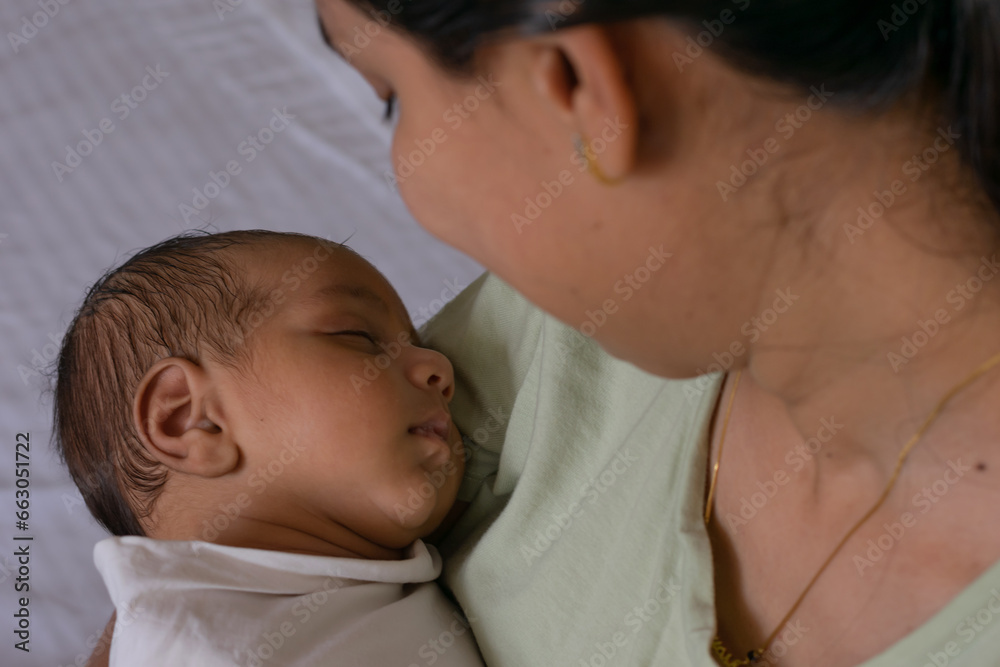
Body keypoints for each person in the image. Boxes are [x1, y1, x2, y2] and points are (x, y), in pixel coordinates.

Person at [57, 230, 485, 666]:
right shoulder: (194, 644)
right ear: (191, 420)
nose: (439, 367)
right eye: (357, 335)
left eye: (419, 344)